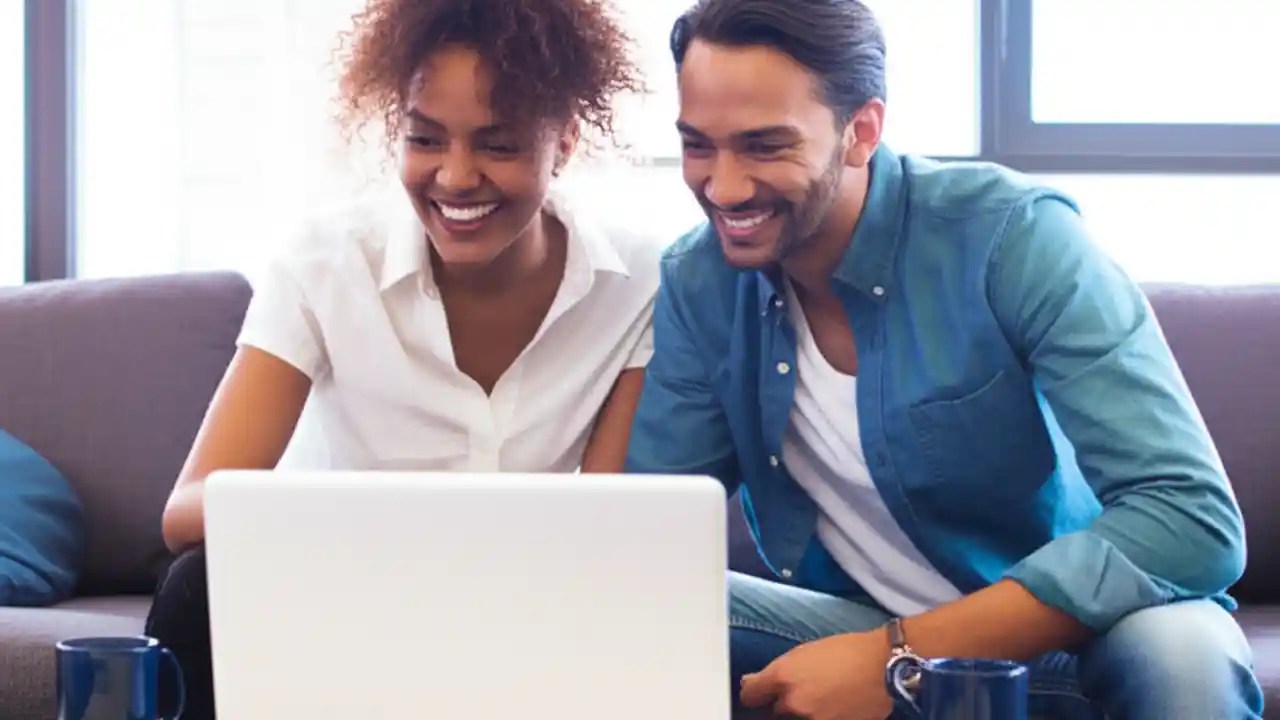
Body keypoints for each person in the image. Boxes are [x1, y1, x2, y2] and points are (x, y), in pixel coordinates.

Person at [624, 0, 1264, 718]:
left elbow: (1190, 516)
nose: (724, 187)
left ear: (862, 131)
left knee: (1184, 659)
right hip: (856, 632)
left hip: (1086, 637)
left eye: (765, 146)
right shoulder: (700, 281)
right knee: (630, 601)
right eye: (698, 146)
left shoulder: (1014, 236)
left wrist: (897, 655)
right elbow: (654, 530)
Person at [144, 1, 655, 717]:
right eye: (424, 139)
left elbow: (608, 529)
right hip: (337, 595)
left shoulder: (636, 283)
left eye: (498, 145)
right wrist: (378, 519)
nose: (455, 176)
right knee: (195, 582)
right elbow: (187, 510)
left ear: (564, 142)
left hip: (525, 607)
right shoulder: (327, 261)